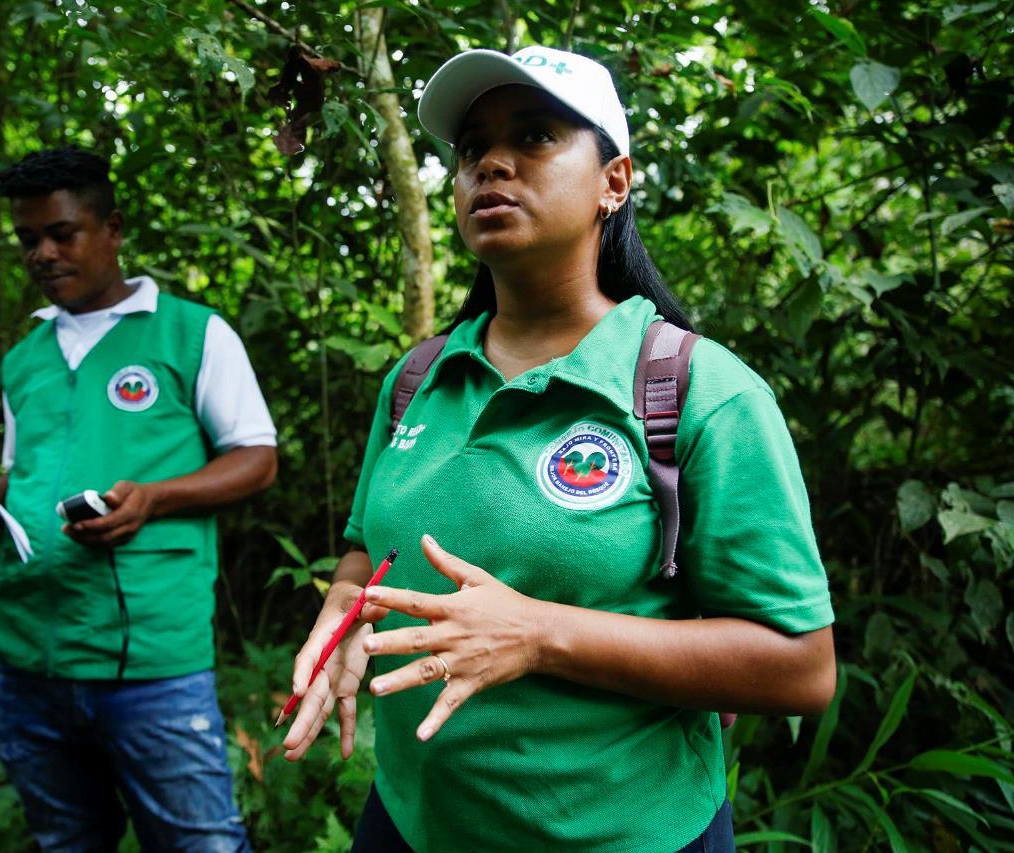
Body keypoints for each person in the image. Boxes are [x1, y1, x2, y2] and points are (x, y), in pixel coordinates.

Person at [281, 46, 836, 852]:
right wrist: (343, 607)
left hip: (619, 832)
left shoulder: (700, 391)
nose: (491, 163)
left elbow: (802, 668)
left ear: (615, 180)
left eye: (536, 136)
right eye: (472, 148)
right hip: (411, 821)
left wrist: (537, 633)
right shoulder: (419, 377)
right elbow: (371, 546)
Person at [0, 146, 275, 851]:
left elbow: (258, 459)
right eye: (27, 240)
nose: (42, 253)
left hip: (149, 666)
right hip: (30, 665)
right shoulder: (25, 357)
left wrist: (155, 498)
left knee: (201, 845)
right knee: (67, 842)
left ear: (112, 227)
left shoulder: (191, 333)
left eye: (61, 233)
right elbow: (25, 479)